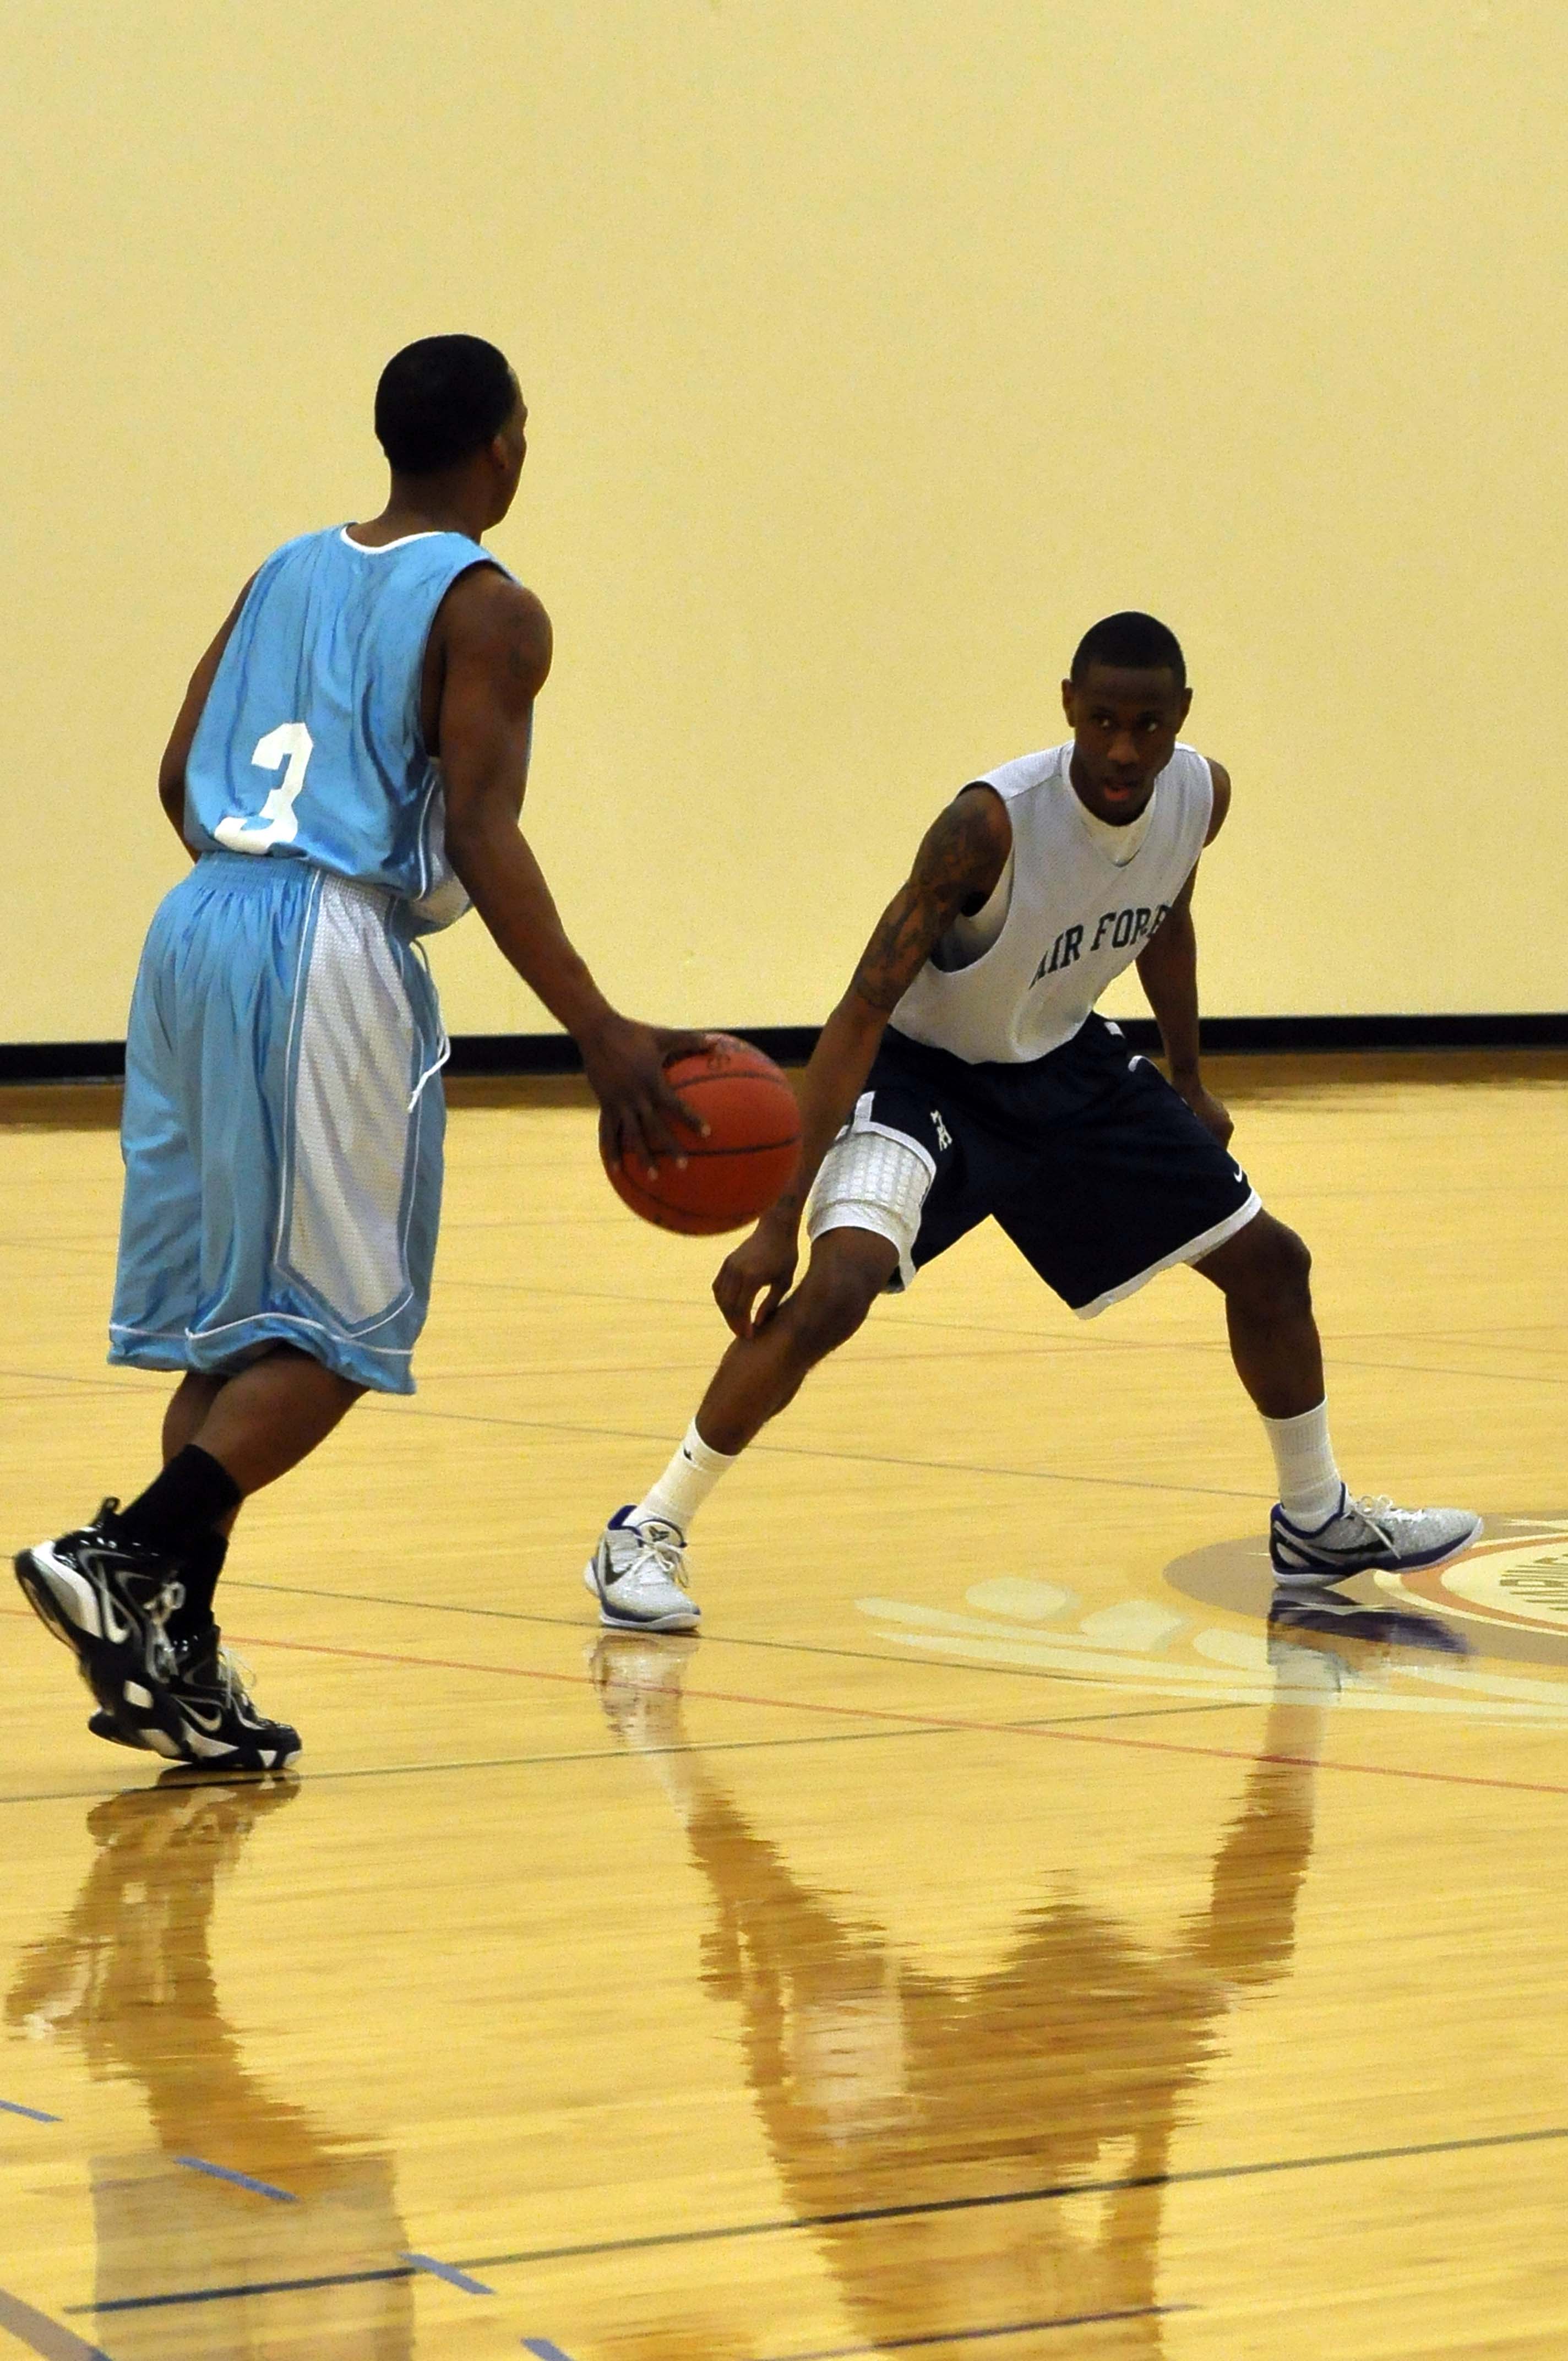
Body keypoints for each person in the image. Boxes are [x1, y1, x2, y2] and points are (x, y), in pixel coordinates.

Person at [16, 333, 705, 1770]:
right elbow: (476, 829)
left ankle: (172, 1656)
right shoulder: (492, 606)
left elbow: (173, 771)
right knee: (341, 1328)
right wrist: (602, 1030)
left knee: (240, 1323)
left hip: (199, 917)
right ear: (505, 446)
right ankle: (129, 1554)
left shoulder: (281, 568)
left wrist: (250, 905)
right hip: (325, 939)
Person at [583, 611, 1479, 1632]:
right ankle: (645, 1529)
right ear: (1067, 707)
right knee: (834, 1289)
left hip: (1061, 1061)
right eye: (1101, 721)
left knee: (1274, 1265)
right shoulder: (989, 825)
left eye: (1146, 726)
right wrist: (777, 1215)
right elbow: (862, 1007)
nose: (1122, 749)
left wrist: (1188, 1076)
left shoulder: (1201, 795)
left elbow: (1168, 917)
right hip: (925, 1074)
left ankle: (1317, 1521)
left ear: (1182, 718)